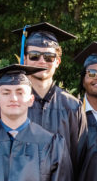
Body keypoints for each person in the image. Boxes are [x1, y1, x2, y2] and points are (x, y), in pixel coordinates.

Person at [13, 22, 87, 163]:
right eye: (35, 55)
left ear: (57, 62)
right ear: (25, 58)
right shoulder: (11, 103)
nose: (42, 61)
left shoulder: (72, 107)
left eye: (49, 57)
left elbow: (80, 160)